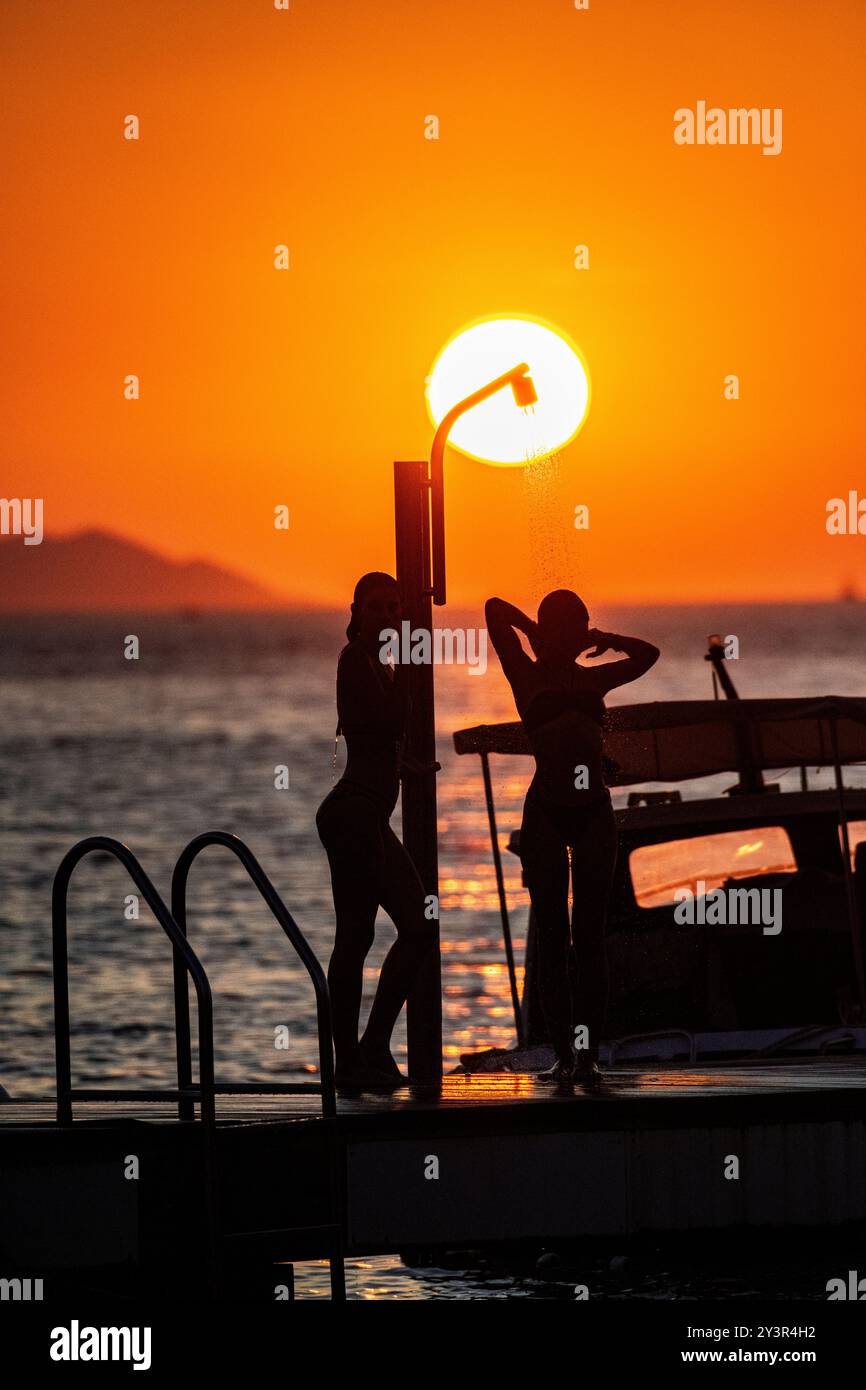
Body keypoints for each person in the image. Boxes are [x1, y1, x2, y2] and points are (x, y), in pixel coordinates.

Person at [485, 590, 659, 1089]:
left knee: (589, 938)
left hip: (593, 814)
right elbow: (495, 608)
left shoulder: (595, 678)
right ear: (546, 630)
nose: (571, 635)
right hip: (546, 812)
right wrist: (535, 633)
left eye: (579, 626)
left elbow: (649, 655)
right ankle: (562, 1056)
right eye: (560, 626)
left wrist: (606, 638)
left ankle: (589, 1057)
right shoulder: (523, 672)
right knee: (552, 936)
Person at [316, 572, 437, 1088]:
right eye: (378, 608)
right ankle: (357, 1059)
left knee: (385, 932)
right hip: (354, 816)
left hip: (364, 816)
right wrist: (412, 656)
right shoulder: (357, 661)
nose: (387, 616)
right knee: (380, 933)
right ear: (357, 612)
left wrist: (406, 766)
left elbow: (375, 741)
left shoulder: (380, 664)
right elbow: (384, 722)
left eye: (394, 608)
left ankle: (364, 1055)